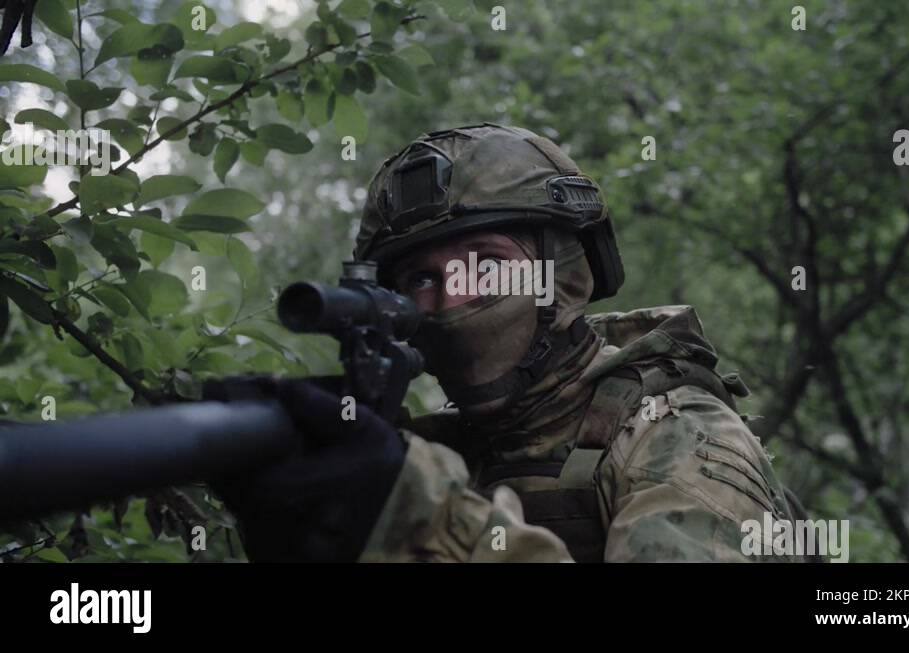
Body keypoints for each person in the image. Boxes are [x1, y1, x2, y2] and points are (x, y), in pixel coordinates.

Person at [210, 123, 805, 563]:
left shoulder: (675, 434)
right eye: (421, 279)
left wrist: (417, 516)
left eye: (486, 267)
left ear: (564, 279)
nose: (450, 301)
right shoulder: (431, 449)